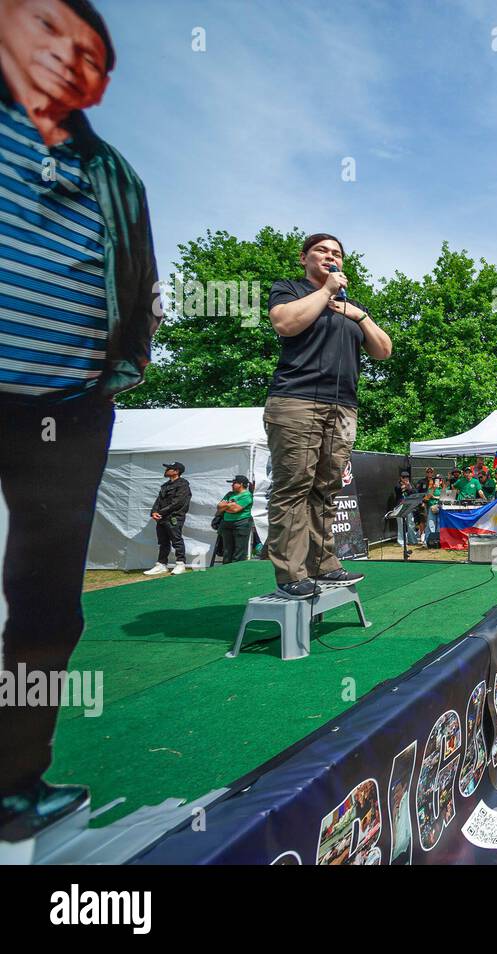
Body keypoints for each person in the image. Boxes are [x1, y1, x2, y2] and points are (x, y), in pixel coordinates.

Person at [0, 0, 162, 841]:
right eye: (47, 28)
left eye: (91, 52)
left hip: (66, 409)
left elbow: (141, 281)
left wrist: (118, 372)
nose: (68, 57)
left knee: (46, 606)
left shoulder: (115, 174)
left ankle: (13, 783)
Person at [264, 232, 392, 598]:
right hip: (297, 401)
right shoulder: (290, 289)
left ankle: (324, 565)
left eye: (336, 253)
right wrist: (325, 292)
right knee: (294, 486)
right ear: (304, 257)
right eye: (322, 250)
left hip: (343, 407)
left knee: (326, 488)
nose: (330, 256)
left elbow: (384, 350)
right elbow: (284, 324)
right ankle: (291, 573)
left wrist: (360, 315)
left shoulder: (350, 306)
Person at [144, 462, 191, 575]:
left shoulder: (183, 485)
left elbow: (177, 503)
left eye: (169, 468)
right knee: (163, 542)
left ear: (176, 471)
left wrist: (160, 512)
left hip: (174, 517)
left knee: (176, 540)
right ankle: (161, 564)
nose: (166, 470)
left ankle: (180, 564)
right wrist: (154, 512)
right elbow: (158, 501)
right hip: (162, 518)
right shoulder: (165, 485)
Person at [215, 475, 254, 563]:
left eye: (234, 483)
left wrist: (226, 505)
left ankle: (237, 572)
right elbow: (219, 506)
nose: (232, 485)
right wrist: (230, 505)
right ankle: (226, 570)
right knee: (227, 550)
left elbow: (235, 509)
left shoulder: (247, 495)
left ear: (241, 484)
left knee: (239, 551)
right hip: (226, 524)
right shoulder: (229, 494)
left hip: (241, 524)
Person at [393, 469, 417, 549]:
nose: (406, 478)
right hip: (400, 507)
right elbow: (398, 490)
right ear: (401, 478)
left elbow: (414, 493)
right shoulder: (397, 485)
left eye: (407, 477)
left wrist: (409, 486)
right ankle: (401, 542)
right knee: (400, 524)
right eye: (404, 477)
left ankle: (412, 540)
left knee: (411, 523)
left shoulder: (411, 485)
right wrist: (406, 486)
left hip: (408, 506)